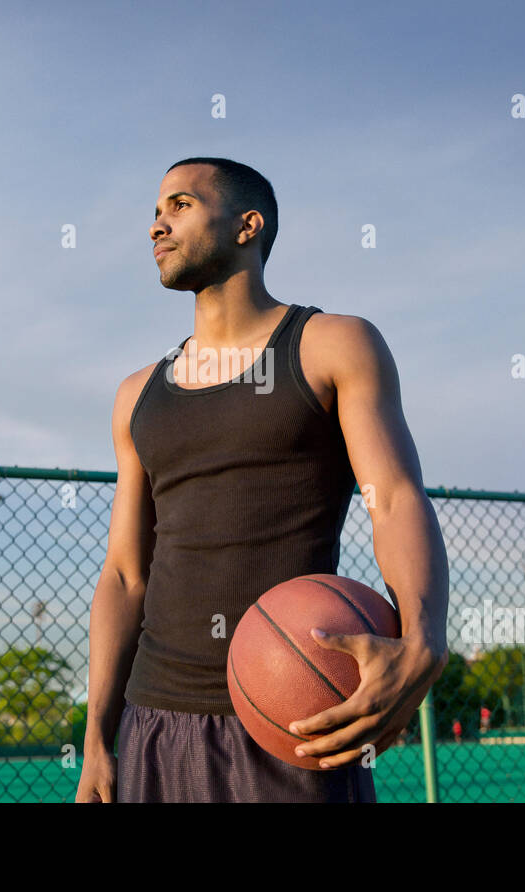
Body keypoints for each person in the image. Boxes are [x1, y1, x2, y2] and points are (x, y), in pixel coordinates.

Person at [75, 158, 450, 803]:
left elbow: (391, 499)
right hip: (154, 722)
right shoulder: (136, 394)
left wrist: (424, 640)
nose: (157, 226)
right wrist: (94, 742)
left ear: (248, 226)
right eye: (155, 212)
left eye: (180, 205)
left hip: (296, 715)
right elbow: (123, 575)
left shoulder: (331, 345)